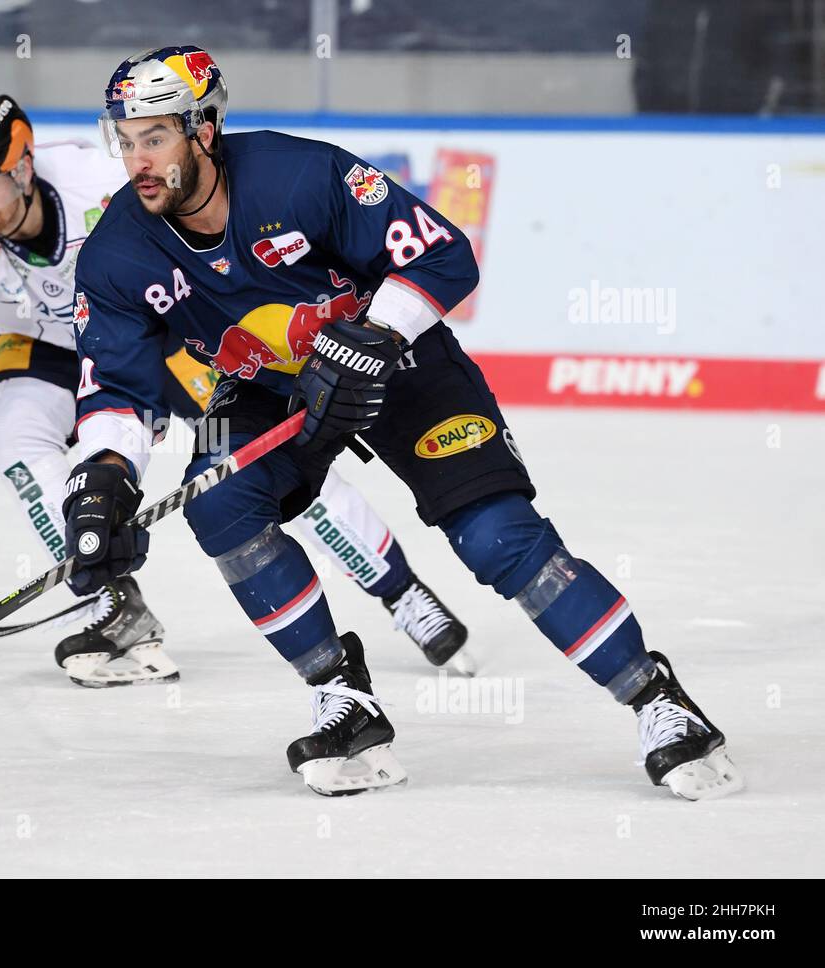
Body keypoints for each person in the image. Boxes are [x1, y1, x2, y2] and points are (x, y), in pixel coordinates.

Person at [65, 47, 743, 799]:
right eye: (123, 140)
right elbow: (119, 390)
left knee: (496, 537)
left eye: (154, 137)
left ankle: (658, 701)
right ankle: (344, 698)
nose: (137, 160)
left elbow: (444, 255)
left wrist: (377, 335)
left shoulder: (301, 175)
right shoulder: (116, 253)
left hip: (397, 362)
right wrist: (101, 480)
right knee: (218, 499)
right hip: (266, 389)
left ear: (207, 127)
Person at [0, 94, 473, 688]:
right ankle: (107, 600)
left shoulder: (97, 184)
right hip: (41, 344)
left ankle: (398, 588)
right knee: (9, 430)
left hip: (160, 336)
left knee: (259, 462)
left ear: (23, 168)